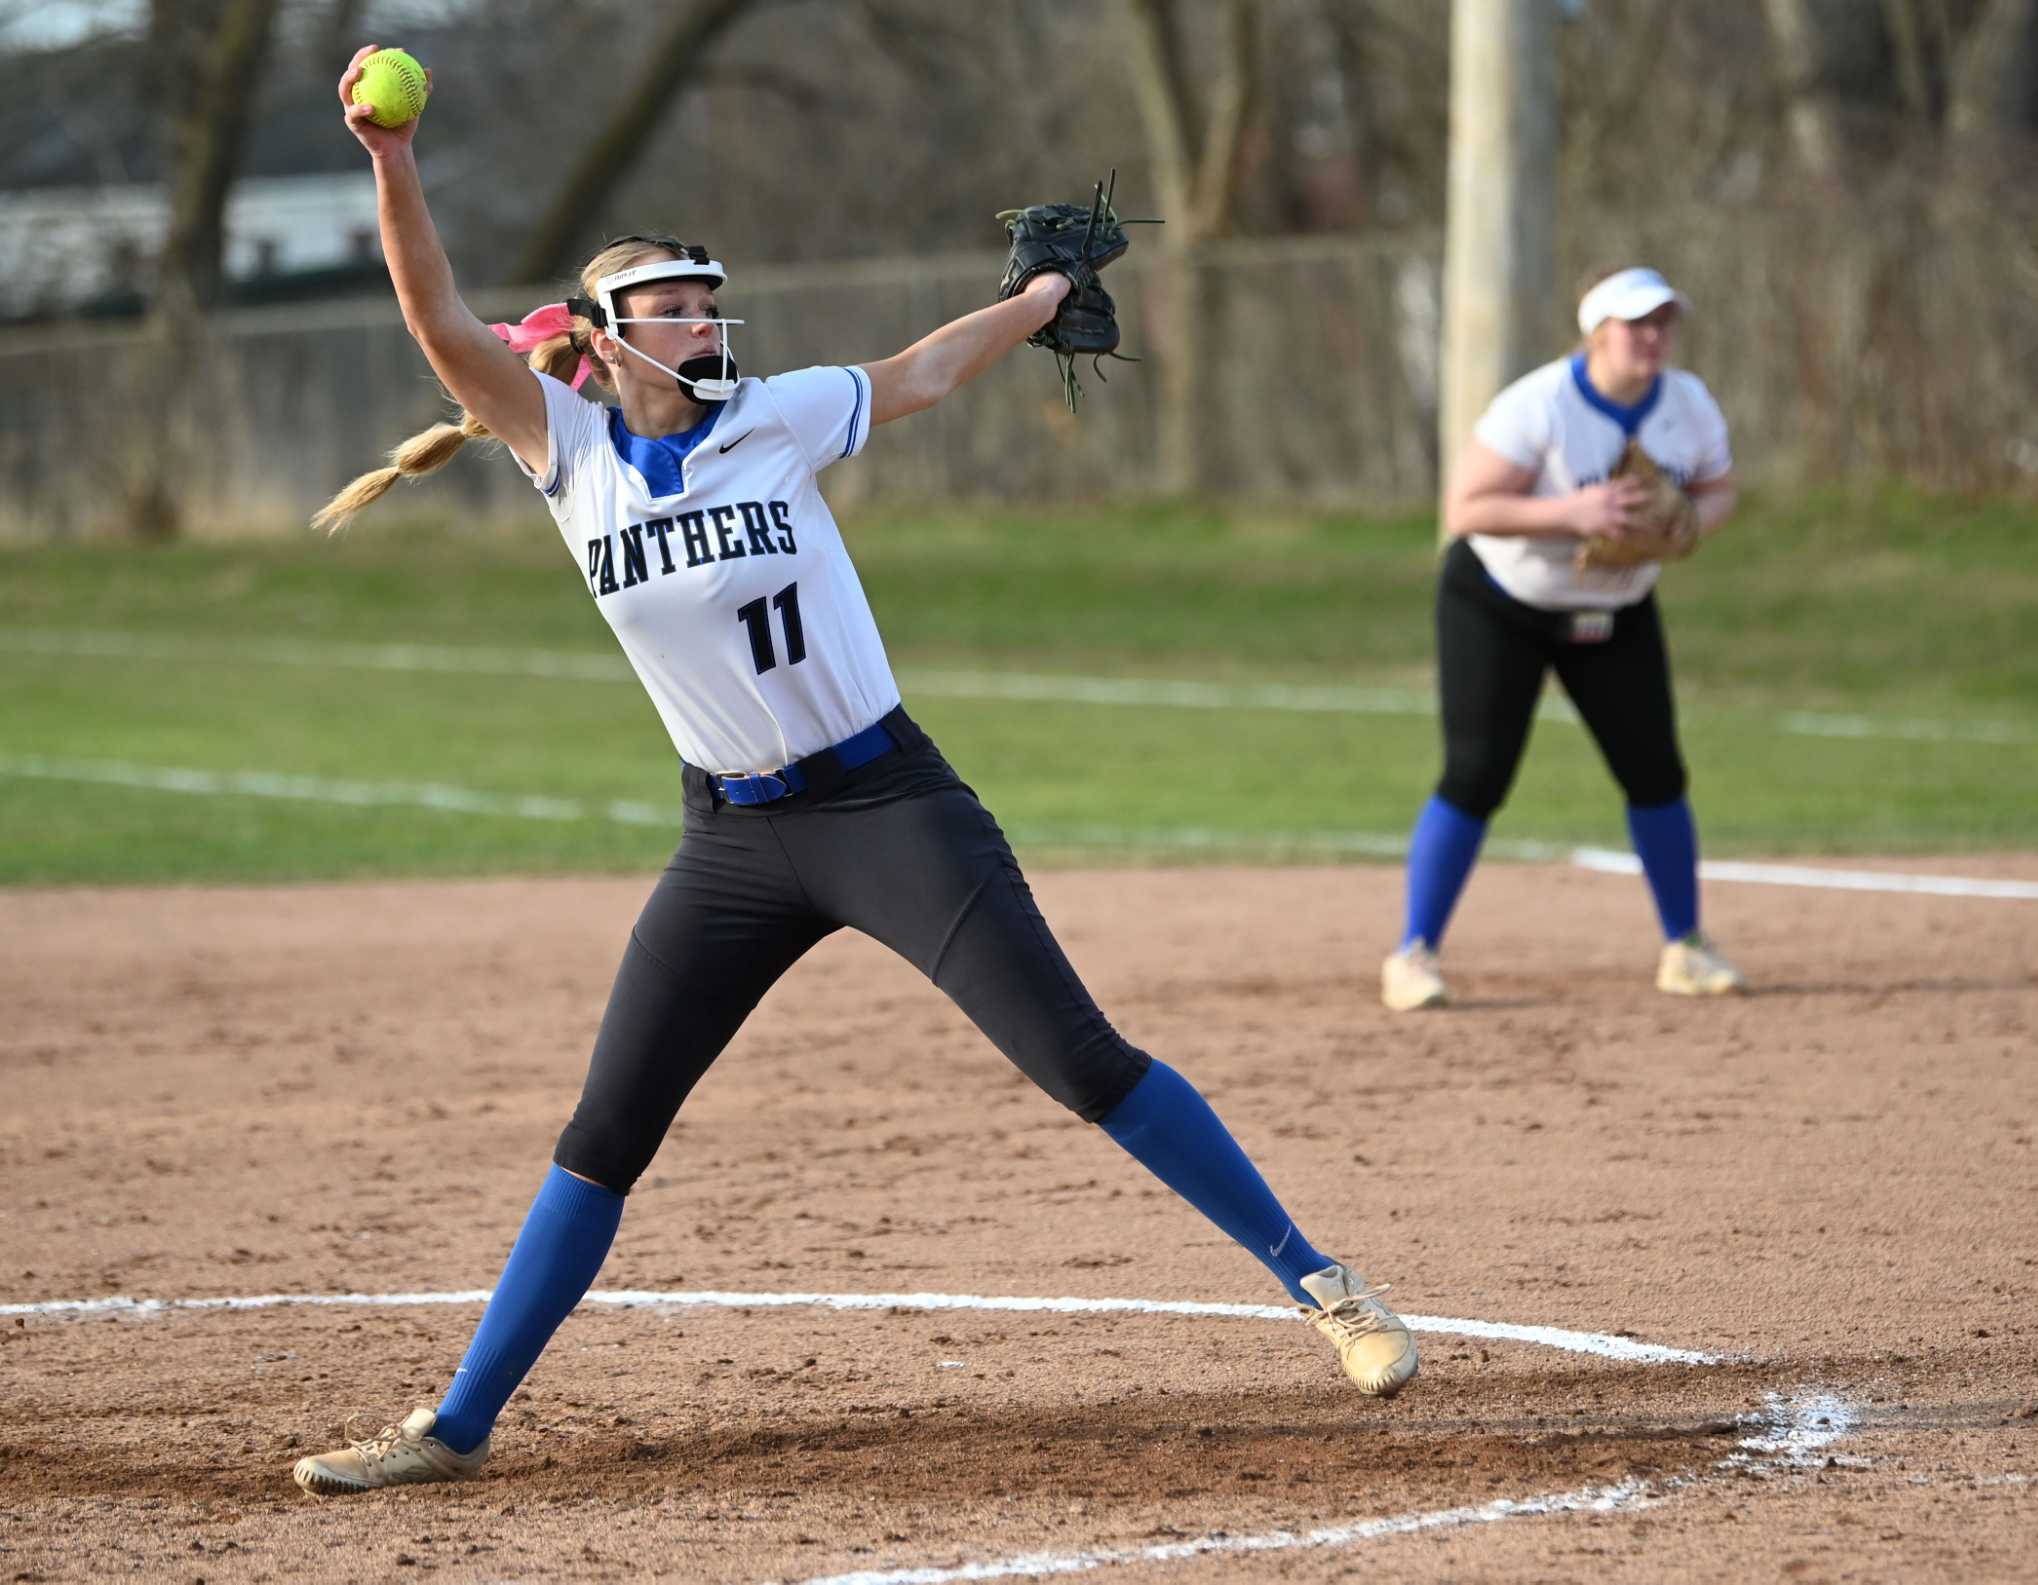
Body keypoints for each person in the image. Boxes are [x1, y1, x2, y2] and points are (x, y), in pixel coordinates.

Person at [291, 48, 1417, 1496]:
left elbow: (925, 369)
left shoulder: (780, 411)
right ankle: (453, 1427)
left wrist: (1034, 302)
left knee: (1079, 1059)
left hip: (886, 804)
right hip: (731, 844)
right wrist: (390, 159)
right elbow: (433, 312)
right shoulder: (560, 447)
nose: (700, 321)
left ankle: (1327, 1289)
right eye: (668, 306)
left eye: (707, 298)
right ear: (602, 336)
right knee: (605, 1131)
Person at [1380, 266, 1744, 1013]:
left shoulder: (1687, 403)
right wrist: (1571, 514)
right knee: (1477, 775)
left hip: (1614, 609)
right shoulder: (1541, 403)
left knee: (1656, 772)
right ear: (1597, 331)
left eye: (1664, 322)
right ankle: (1413, 954)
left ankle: (1687, 947)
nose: (1652, 336)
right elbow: (1467, 505)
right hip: (1501, 601)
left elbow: (1719, 488)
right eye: (1635, 322)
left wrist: (1685, 529)